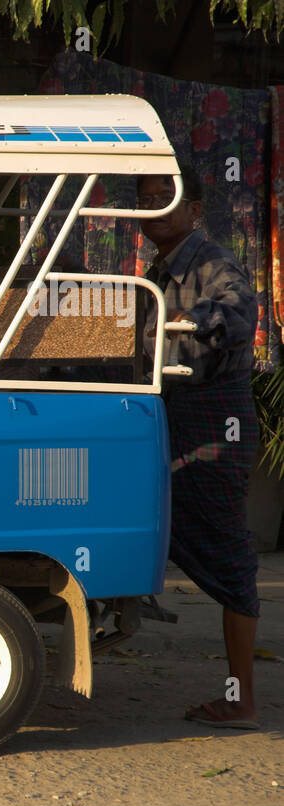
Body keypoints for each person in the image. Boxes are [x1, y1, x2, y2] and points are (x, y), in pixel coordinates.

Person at [136, 167, 261, 730]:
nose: (157, 207)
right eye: (147, 200)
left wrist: (195, 320)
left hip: (214, 422)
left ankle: (241, 699)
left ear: (195, 208)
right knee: (142, 521)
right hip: (169, 419)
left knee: (230, 558)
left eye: (168, 198)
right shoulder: (154, 273)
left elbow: (237, 316)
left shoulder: (213, 265)